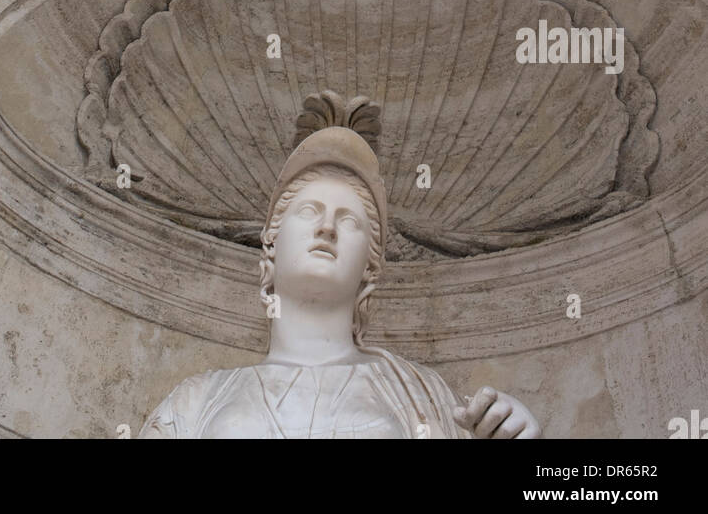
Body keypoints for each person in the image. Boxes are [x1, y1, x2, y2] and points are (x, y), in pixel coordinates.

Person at [139, 121, 541, 439]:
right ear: (271, 248)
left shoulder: (422, 397)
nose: (327, 227)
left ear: (370, 266)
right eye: (309, 211)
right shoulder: (194, 402)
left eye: (348, 220)